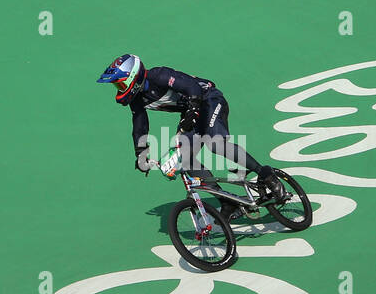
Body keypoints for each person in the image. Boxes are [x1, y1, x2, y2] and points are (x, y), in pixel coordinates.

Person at [96, 53, 280, 218]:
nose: (118, 89)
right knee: (183, 159)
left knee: (214, 143)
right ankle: (227, 201)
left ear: (133, 78)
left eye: (119, 83)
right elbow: (140, 126)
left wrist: (191, 113)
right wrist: (140, 153)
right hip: (191, 112)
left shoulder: (158, 75)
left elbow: (192, 87)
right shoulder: (136, 100)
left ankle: (266, 174)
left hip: (209, 100)